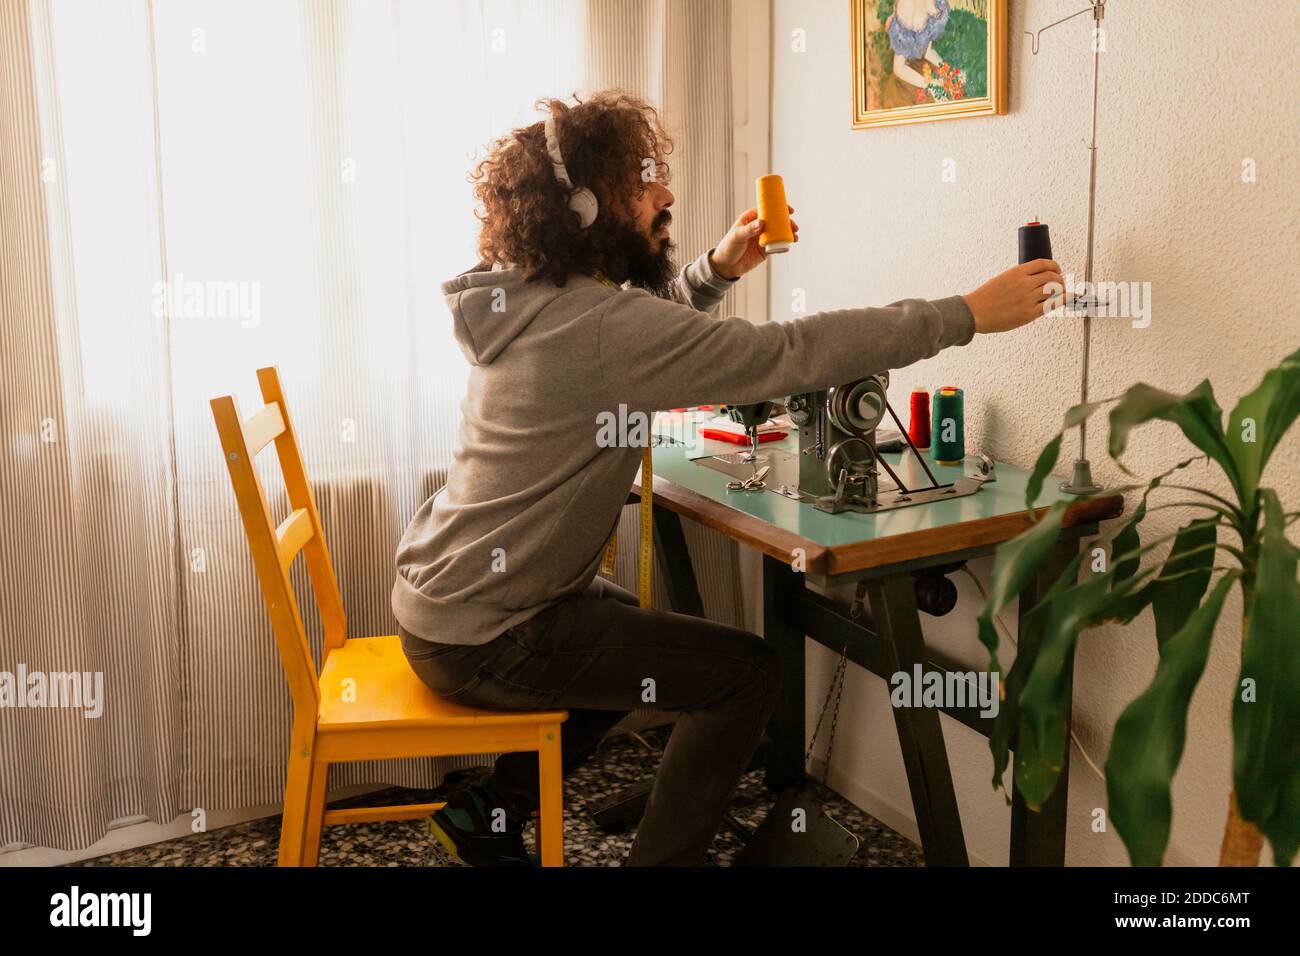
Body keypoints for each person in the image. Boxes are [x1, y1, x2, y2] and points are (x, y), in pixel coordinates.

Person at [392, 90, 1063, 866]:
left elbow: (643, 334)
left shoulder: (535, 300)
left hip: (444, 604)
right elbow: (782, 353)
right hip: (489, 636)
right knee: (746, 674)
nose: (666, 194)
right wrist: (966, 312)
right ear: (584, 206)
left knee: (614, 618)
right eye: (645, 181)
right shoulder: (598, 325)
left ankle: (490, 813)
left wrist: (713, 271)